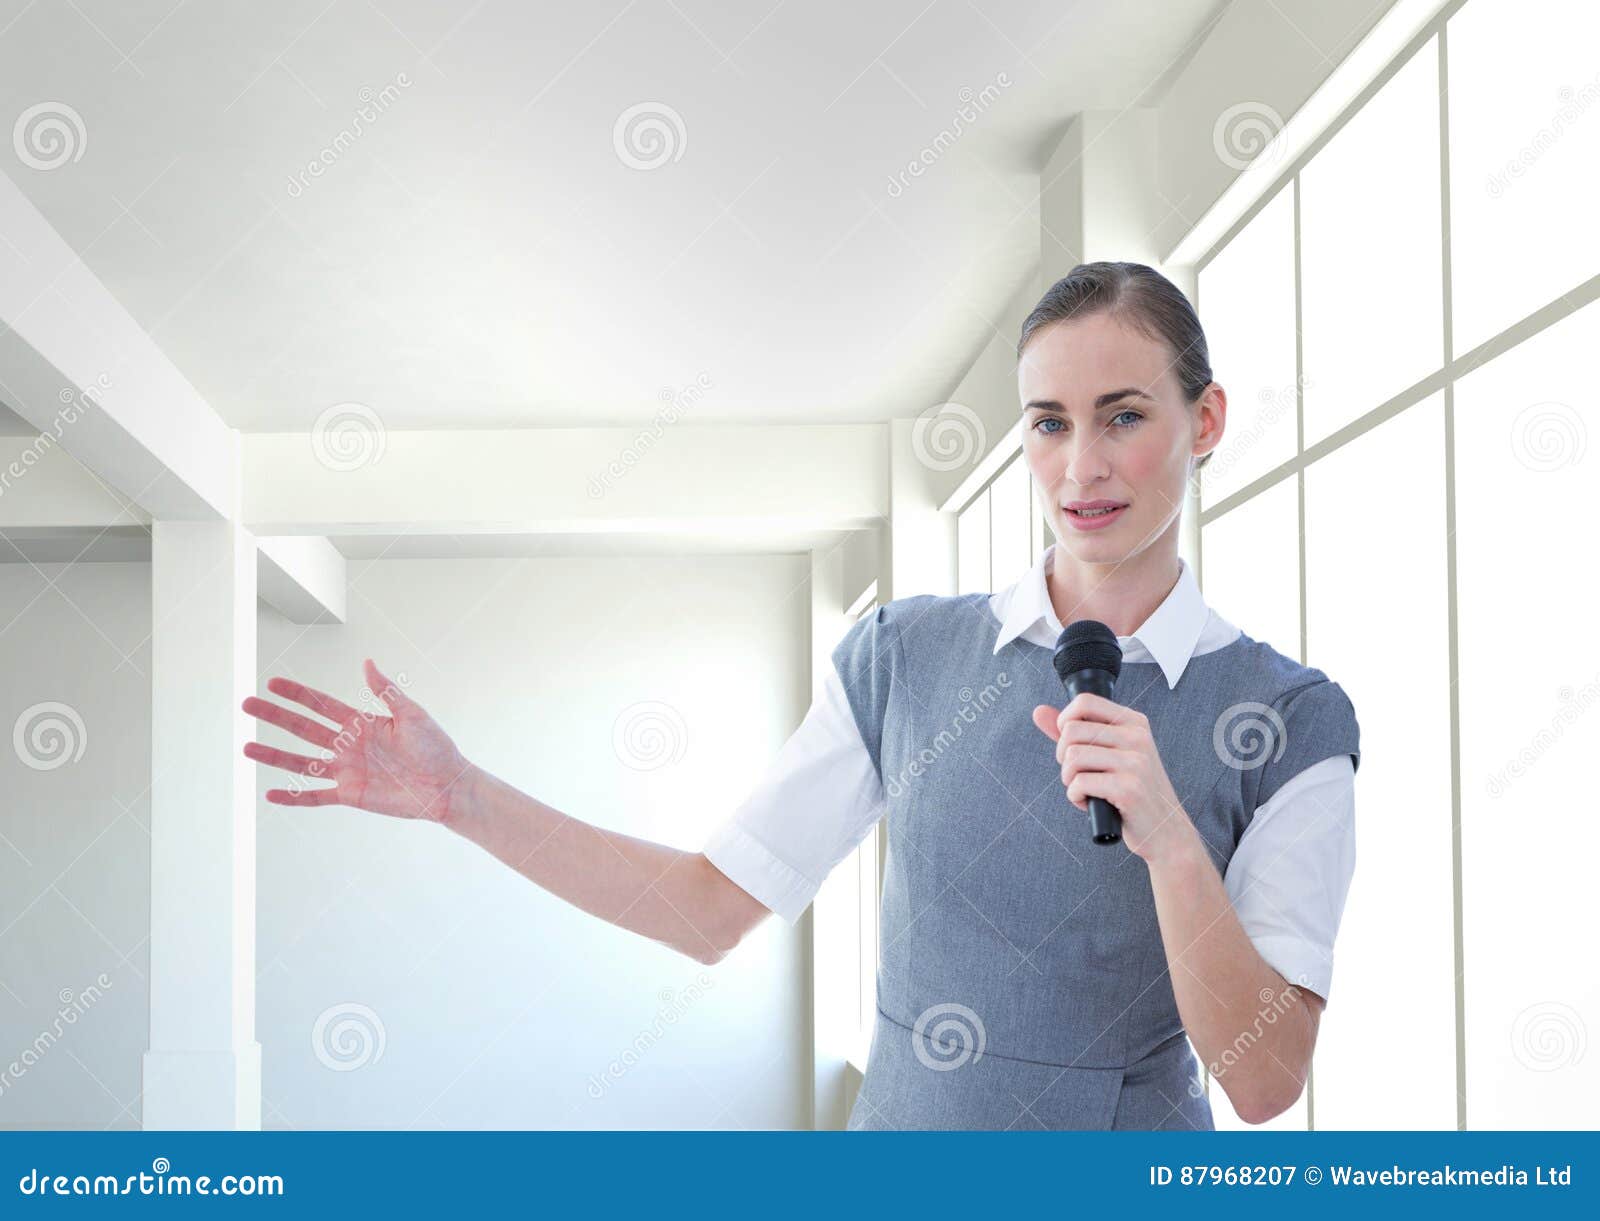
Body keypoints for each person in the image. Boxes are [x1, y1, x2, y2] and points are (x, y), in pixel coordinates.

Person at [242, 261, 1359, 1132]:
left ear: (1203, 422)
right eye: (1049, 424)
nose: (1081, 469)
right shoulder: (905, 658)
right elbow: (705, 908)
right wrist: (462, 798)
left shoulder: (1291, 719)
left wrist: (1167, 840)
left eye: (1124, 415)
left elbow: (1262, 1082)